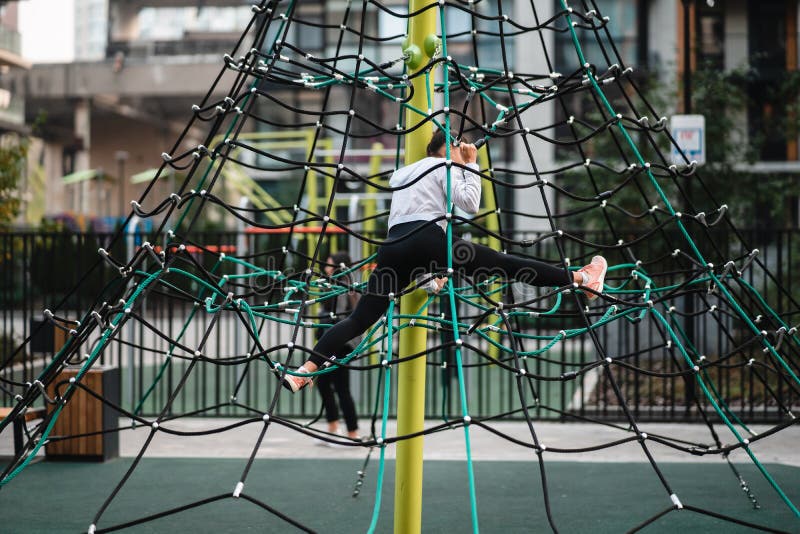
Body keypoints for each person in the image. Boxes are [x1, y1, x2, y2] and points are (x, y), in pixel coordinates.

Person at [281, 130, 607, 393]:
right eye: (457, 147)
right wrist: (470, 165)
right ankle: (581, 278)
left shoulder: (406, 174)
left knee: (359, 319)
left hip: (394, 248)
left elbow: (414, 235)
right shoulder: (443, 166)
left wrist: (427, 278)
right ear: (447, 148)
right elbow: (470, 203)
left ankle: (305, 371)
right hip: (428, 240)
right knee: (505, 264)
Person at [314, 251, 360, 440]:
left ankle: (352, 431)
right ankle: (337, 427)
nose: (326, 268)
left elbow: (341, 319)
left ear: (339, 267)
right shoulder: (340, 286)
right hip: (338, 343)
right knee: (326, 383)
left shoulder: (344, 288)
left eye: (330, 265)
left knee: (339, 386)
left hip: (339, 344)